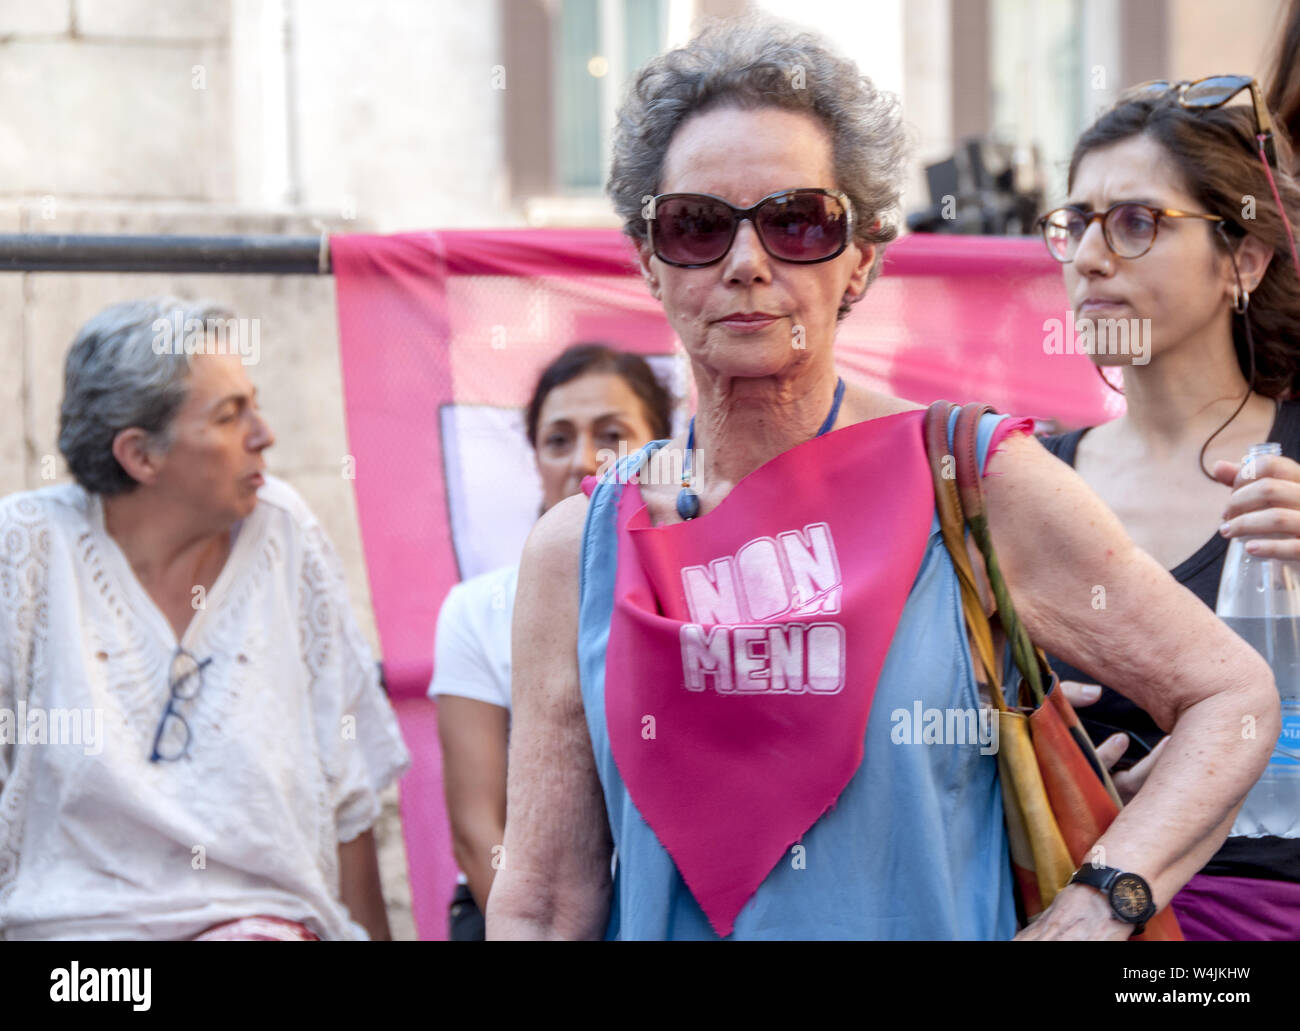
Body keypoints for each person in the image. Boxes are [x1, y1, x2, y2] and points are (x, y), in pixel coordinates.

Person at [486, 16, 1278, 941]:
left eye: (796, 223)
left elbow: (1231, 697)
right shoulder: (575, 551)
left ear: (859, 260)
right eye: (698, 225)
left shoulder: (971, 480)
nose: (748, 264)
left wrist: (1101, 903)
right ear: (647, 260)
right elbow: (543, 900)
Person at [0, 297, 409, 940]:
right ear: (140, 455)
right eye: (229, 415)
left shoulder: (282, 532)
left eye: (255, 402)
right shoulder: (26, 547)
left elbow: (346, 790)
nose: (263, 434)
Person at [1035, 76, 1300, 939]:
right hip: (1066, 901)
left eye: (1137, 222)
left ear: (1244, 260)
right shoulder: (1028, 479)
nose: (1088, 258)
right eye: (1075, 224)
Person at [431, 343, 671, 940]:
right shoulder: (475, 611)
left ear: (662, 450)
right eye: (557, 439)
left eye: (612, 434)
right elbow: (476, 825)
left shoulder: (699, 592)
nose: (582, 459)